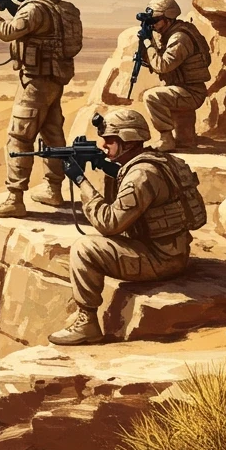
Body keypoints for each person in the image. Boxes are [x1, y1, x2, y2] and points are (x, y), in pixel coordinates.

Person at [48, 108, 206, 346]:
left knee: (84, 249)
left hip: (161, 259)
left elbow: (109, 224)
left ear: (128, 140)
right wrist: (109, 168)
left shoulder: (141, 175)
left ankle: (87, 323)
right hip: (172, 250)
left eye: (110, 140)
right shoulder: (158, 161)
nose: (103, 145)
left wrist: (80, 180)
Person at [0, 0, 83, 217]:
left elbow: (8, 32)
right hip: (54, 81)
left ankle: (15, 198)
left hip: (35, 82)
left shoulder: (34, 9)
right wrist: (14, 6)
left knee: (19, 137)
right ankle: (53, 190)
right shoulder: (58, 6)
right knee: (52, 135)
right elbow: (40, 29)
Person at [139, 0, 212, 152]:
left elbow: (163, 65)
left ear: (168, 19)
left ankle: (166, 139)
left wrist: (147, 43)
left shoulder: (180, 38)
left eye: (156, 21)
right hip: (183, 88)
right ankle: (186, 139)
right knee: (185, 143)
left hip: (191, 92)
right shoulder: (172, 34)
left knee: (152, 96)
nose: (153, 26)